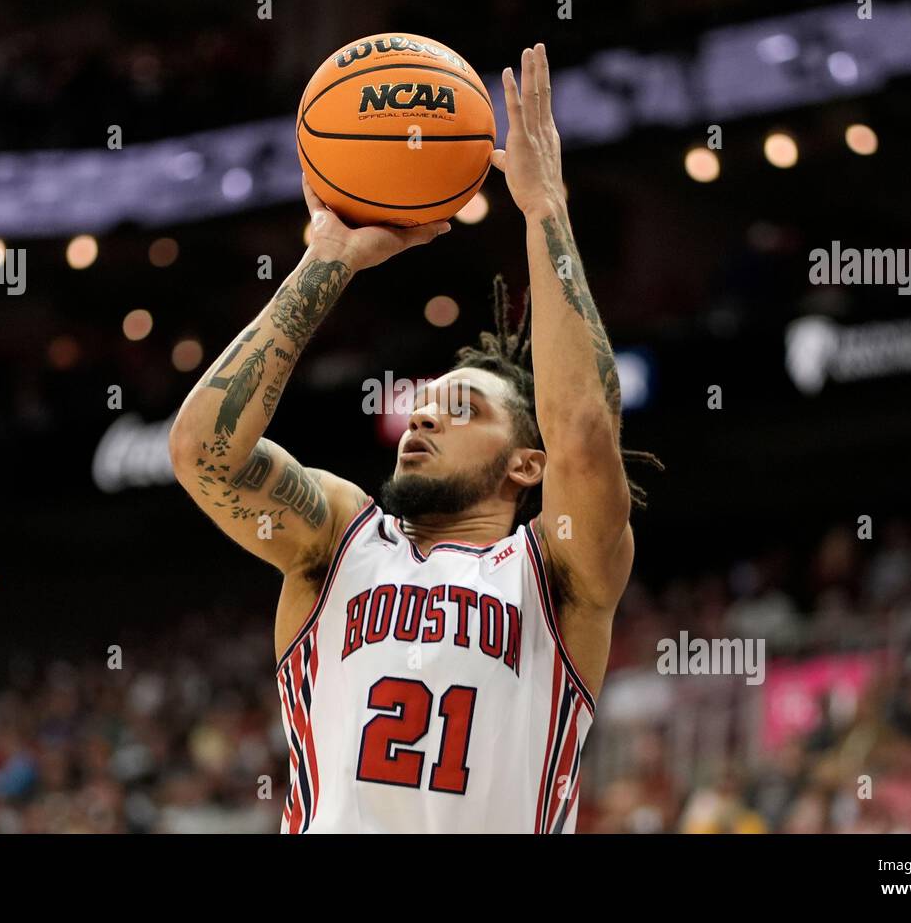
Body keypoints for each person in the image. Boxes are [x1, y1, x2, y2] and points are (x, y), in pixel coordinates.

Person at [169, 43, 657, 832]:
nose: (423, 417)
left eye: (460, 408)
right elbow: (203, 454)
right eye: (422, 405)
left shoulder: (559, 572)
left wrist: (543, 212)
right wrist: (325, 260)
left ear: (526, 464)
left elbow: (584, 432)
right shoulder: (335, 538)